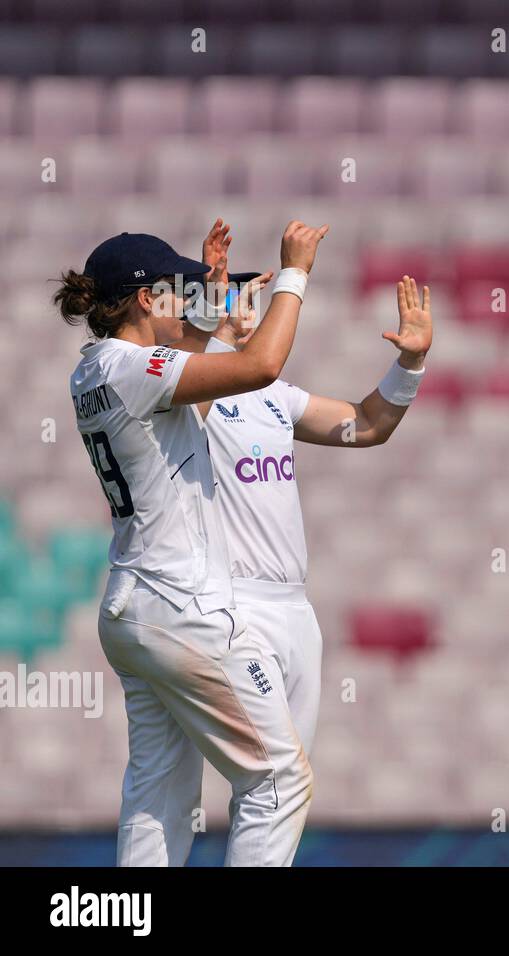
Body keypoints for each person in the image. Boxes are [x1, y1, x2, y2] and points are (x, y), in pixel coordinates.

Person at [126, 219, 432, 864]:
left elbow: (367, 425)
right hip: (227, 607)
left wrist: (410, 362)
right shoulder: (188, 392)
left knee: (274, 792)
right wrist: (229, 304)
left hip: (294, 609)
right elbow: (222, 364)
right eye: (230, 293)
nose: (243, 301)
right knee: (267, 785)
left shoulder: (273, 395)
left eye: (248, 292)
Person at [61, 221, 329, 866]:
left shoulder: (96, 369)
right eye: (175, 292)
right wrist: (294, 273)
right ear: (146, 299)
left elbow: (189, 360)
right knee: (278, 781)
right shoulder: (134, 368)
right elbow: (259, 365)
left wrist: (214, 293)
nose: (186, 304)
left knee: (160, 795)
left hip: (131, 608)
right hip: (179, 605)